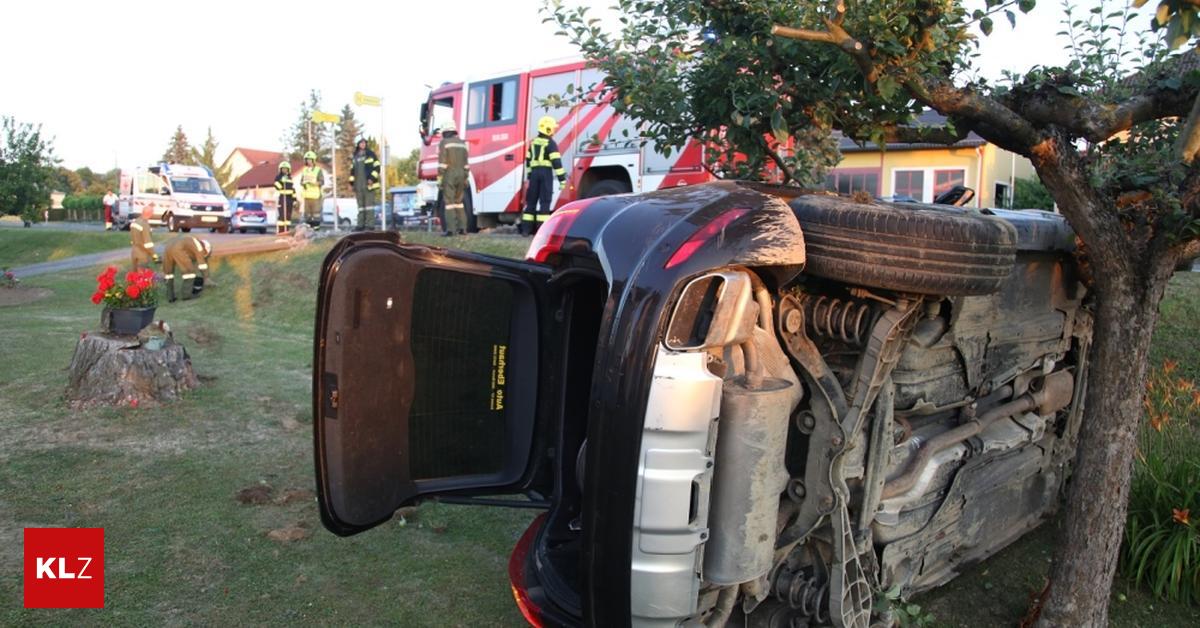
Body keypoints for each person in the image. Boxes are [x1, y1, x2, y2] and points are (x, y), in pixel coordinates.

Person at [522, 116, 567, 236]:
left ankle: (526, 230)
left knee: (531, 202)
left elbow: (527, 161)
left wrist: (530, 176)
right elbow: (556, 163)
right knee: (545, 202)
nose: (554, 130)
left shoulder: (533, 143)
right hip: (545, 173)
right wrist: (562, 180)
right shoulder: (551, 143)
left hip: (534, 175)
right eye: (552, 128)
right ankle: (542, 232)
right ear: (547, 129)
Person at [438, 120, 470, 236]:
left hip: (449, 175)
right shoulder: (463, 143)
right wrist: (465, 176)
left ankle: (451, 230)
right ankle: (463, 229)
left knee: (449, 203)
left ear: (446, 131)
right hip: (462, 175)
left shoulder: (444, 143)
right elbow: (466, 163)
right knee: (459, 202)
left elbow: (442, 163)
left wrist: (440, 178)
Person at [161, 235, 212, 302]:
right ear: (205, 248)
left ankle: (170, 297)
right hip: (178, 249)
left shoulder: (191, 241)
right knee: (189, 273)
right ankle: (186, 295)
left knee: (168, 274)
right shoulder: (199, 247)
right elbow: (202, 264)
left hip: (167, 248)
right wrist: (206, 278)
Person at [349, 138, 381, 231]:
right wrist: (351, 183)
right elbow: (352, 171)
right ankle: (360, 225)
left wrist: (372, 178)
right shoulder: (355, 156)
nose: (363, 144)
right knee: (361, 207)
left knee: (369, 206)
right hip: (358, 185)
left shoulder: (370, 154)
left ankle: (370, 225)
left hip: (368, 185)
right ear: (358, 144)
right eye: (361, 143)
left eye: (364, 143)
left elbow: (377, 167)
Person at [129, 203, 158, 270]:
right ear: (150, 214)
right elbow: (148, 243)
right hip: (142, 254)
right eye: (152, 213)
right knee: (142, 275)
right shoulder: (144, 224)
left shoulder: (135, 222)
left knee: (134, 275)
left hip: (134, 252)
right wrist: (154, 255)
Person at [299, 151, 325, 226]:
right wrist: (303, 183)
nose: (308, 161)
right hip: (307, 196)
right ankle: (308, 230)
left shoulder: (318, 170)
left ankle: (316, 230)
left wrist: (314, 183)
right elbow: (301, 181)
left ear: (313, 160)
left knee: (316, 215)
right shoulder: (304, 170)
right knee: (307, 216)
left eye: (310, 159)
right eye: (307, 159)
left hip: (315, 196)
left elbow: (322, 182)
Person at [274, 161, 296, 233]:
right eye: (283, 169)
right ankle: (281, 230)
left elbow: (293, 189)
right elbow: (277, 185)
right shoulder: (278, 177)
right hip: (283, 198)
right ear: (280, 170)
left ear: (288, 170)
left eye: (286, 169)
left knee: (288, 215)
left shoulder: (290, 178)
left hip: (290, 199)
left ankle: (287, 230)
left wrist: (294, 199)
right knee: (282, 215)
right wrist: (282, 183)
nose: (284, 170)